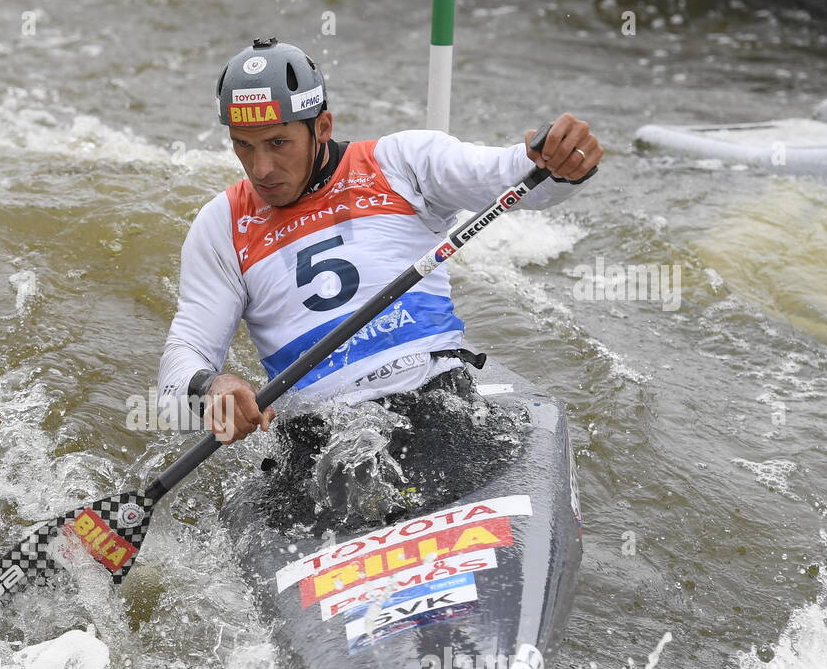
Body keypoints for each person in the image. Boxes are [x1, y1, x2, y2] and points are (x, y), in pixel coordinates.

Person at [158, 36, 603, 529]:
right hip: (318, 443)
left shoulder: (402, 162)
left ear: (322, 126)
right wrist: (212, 385)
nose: (261, 168)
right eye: (244, 146)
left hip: (435, 408)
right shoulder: (220, 226)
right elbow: (179, 368)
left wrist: (559, 158)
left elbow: (512, 176)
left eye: (278, 143)